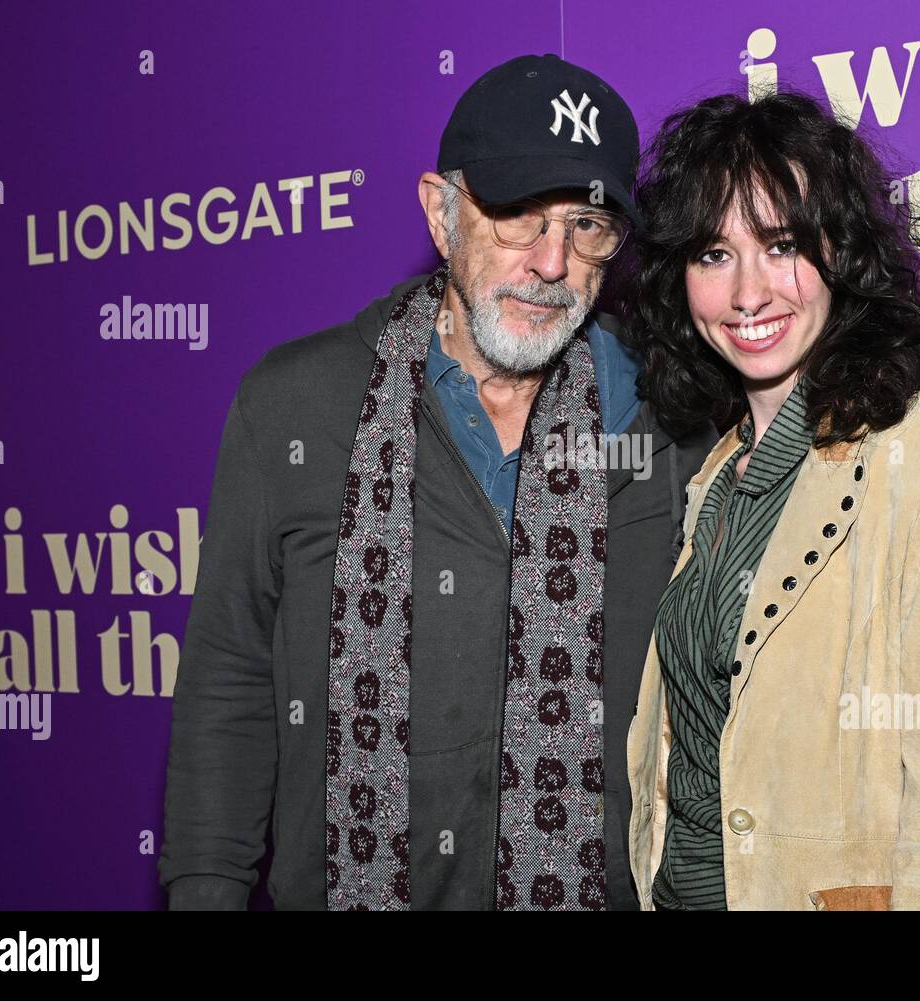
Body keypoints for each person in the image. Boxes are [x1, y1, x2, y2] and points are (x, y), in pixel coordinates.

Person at [158, 53, 718, 911]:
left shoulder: (673, 418)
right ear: (439, 210)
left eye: (587, 227)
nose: (551, 262)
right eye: (517, 217)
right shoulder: (294, 405)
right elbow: (228, 681)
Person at [621, 88, 920, 910]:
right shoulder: (715, 473)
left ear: (839, 250)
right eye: (712, 254)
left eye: (780, 245)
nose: (748, 292)